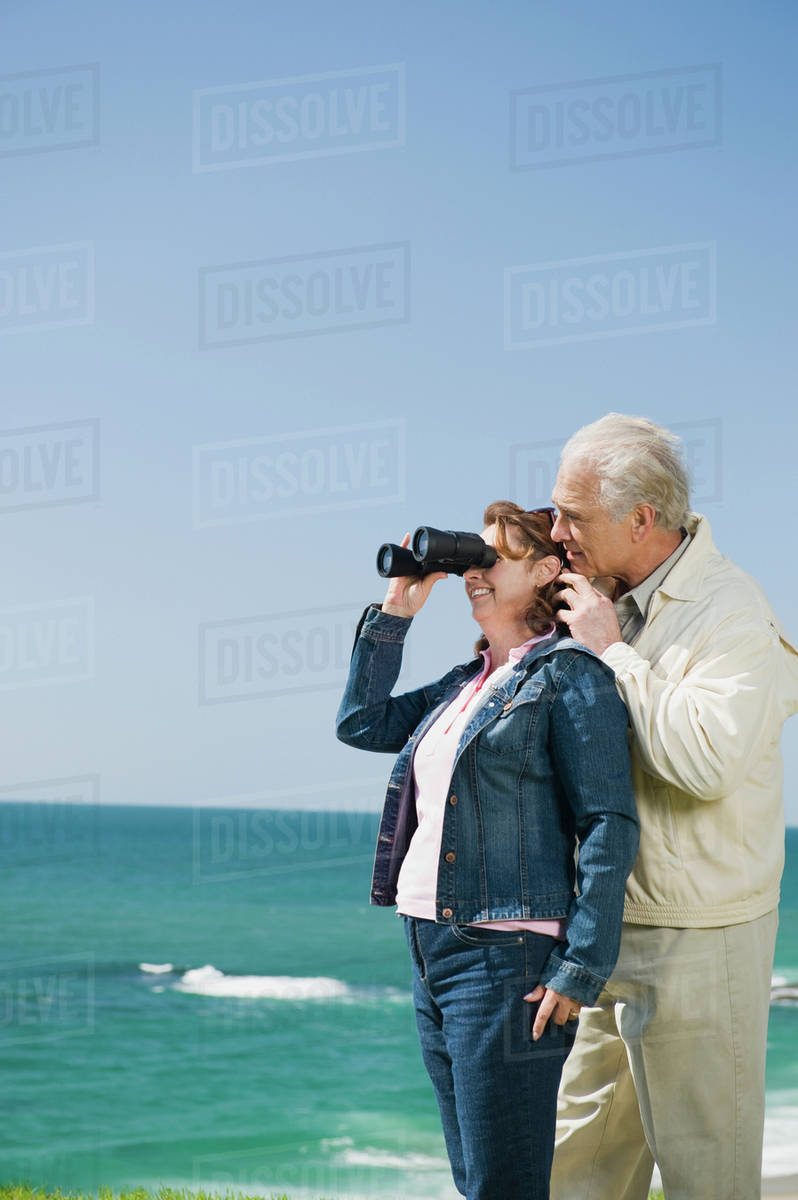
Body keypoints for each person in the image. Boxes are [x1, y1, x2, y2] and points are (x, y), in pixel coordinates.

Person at [336, 501, 639, 1200]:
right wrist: (397, 609)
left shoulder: (569, 676)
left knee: (502, 1183)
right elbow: (361, 722)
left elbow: (608, 820)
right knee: (476, 1177)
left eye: (492, 558)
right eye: (470, 558)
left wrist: (580, 965)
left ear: (544, 571)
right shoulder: (464, 684)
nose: (474, 571)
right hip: (429, 948)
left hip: (505, 959)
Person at [548, 414, 798, 1200]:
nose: (557, 533)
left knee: (705, 1179)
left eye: (573, 517)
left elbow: (705, 762)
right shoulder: (607, 599)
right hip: (609, 928)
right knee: (576, 1170)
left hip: (703, 938)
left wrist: (609, 651)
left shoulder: (732, 613)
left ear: (641, 520)